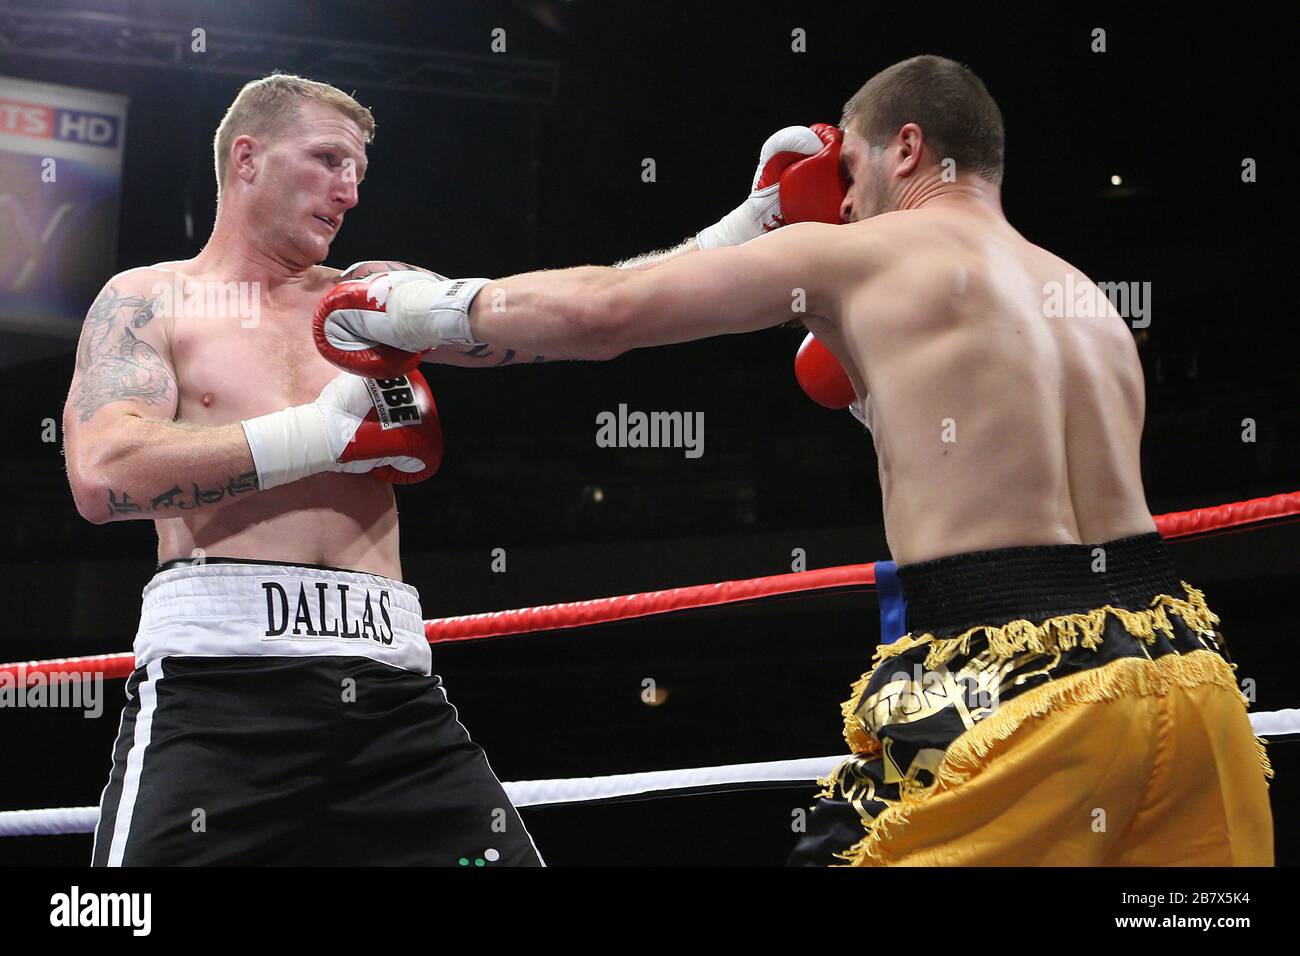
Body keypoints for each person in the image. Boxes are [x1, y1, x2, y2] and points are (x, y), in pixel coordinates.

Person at [315, 55, 1274, 866]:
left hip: (1008, 693)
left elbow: (604, 312)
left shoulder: (857, 256)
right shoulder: (1085, 300)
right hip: (1187, 680)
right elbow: (999, 455)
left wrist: (417, 305)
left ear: (906, 147)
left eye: (849, 170)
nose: (843, 199)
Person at [64, 74, 542, 865]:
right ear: (246, 158)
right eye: (327, 160)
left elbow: (542, 318)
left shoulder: (371, 298)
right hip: (219, 695)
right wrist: (319, 437)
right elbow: (104, 472)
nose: (348, 191)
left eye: (357, 172)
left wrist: (733, 242)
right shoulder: (151, 298)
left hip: (393, 691)